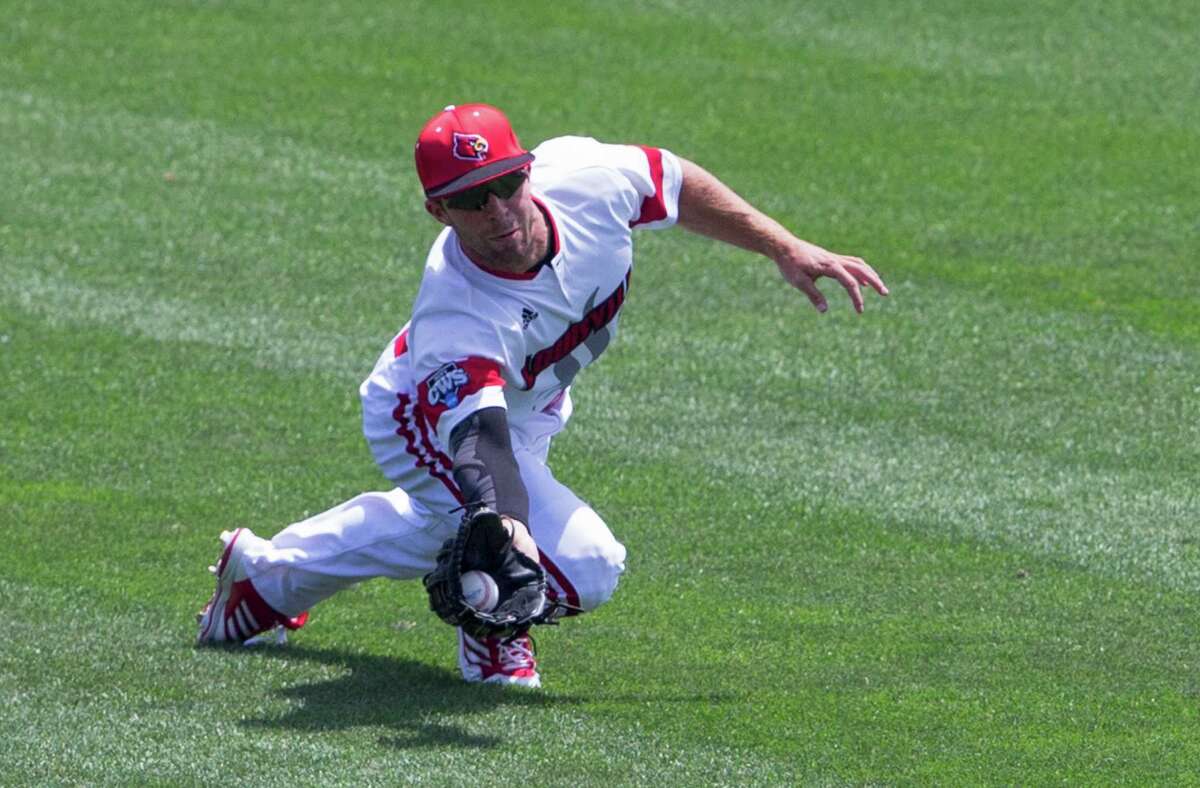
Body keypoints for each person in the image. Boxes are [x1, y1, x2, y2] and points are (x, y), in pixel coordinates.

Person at [196, 103, 888, 688]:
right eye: (471, 198)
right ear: (439, 210)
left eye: (506, 182)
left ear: (527, 169)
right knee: (582, 566)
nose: (498, 210)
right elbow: (482, 448)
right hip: (428, 419)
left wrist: (781, 245)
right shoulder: (457, 317)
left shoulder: (589, 183)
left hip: (530, 403)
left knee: (451, 529)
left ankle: (264, 580)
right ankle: (489, 620)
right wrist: (507, 533)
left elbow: (673, 181)